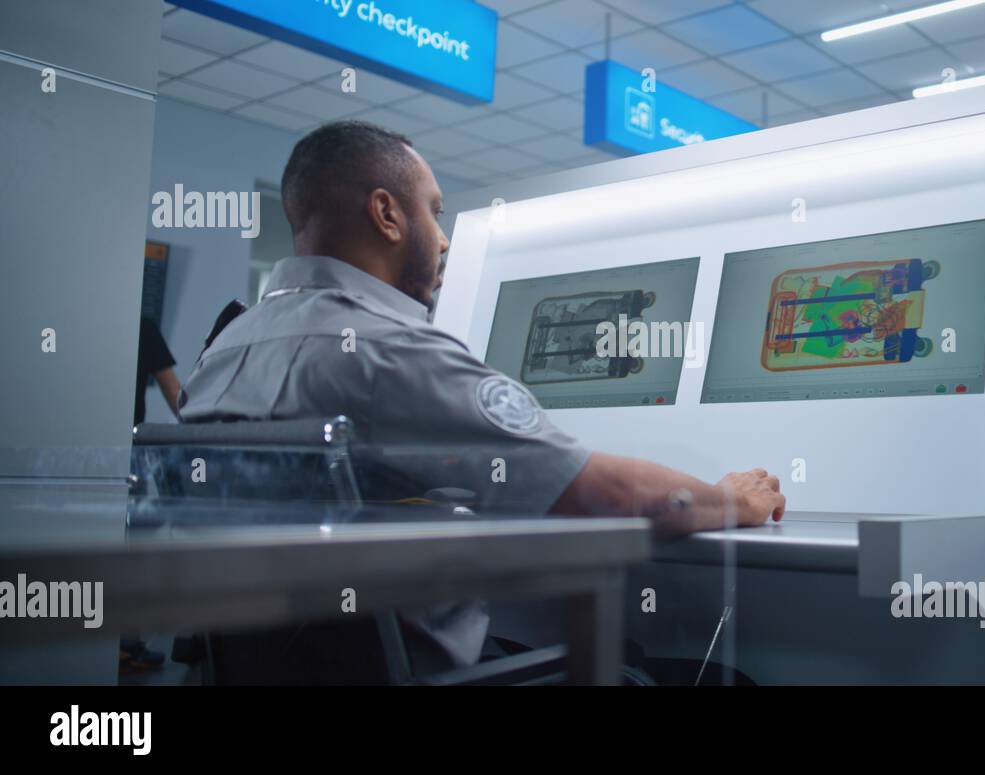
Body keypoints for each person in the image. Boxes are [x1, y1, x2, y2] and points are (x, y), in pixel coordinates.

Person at [178, 120, 784, 673]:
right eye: (434, 212)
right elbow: (612, 496)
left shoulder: (224, 348)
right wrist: (730, 500)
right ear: (387, 215)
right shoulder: (387, 350)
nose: (443, 240)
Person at [123, 316, 181, 672]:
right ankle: (124, 644)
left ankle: (121, 644)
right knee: (132, 555)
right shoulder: (139, 322)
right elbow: (174, 392)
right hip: (129, 454)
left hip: (103, 455)